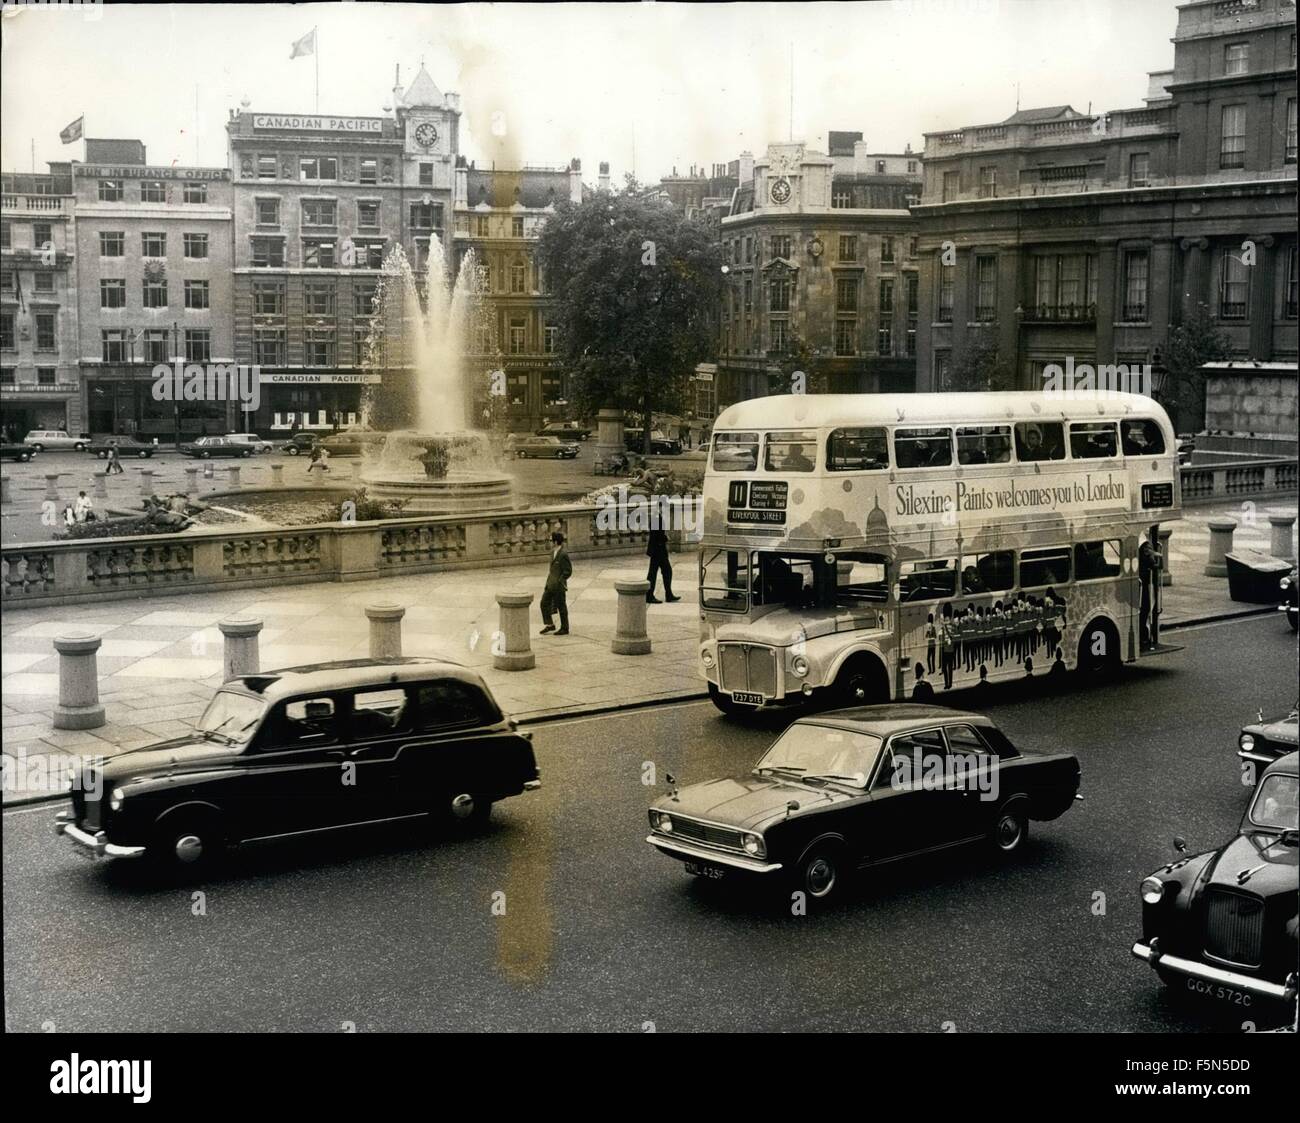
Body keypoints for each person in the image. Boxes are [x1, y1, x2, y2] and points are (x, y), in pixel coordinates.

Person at [540, 530, 572, 636]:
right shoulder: (552, 552)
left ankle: (565, 628)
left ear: (555, 542)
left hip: (558, 586)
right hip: (550, 584)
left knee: (561, 606)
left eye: (550, 540)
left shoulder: (563, 554)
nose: (549, 542)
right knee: (544, 603)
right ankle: (550, 624)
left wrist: (560, 580)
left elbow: (568, 571)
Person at [645, 527, 679, 604]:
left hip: (657, 549)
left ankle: (666, 594)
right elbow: (656, 534)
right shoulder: (656, 517)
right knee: (665, 572)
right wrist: (665, 538)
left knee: (654, 573)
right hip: (658, 549)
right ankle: (652, 595)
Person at [1138, 533, 1160, 649]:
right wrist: (1155, 562)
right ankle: (1143, 636)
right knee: (1145, 608)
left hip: (1137, 577)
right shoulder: (1143, 542)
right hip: (1143, 579)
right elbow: (1150, 558)